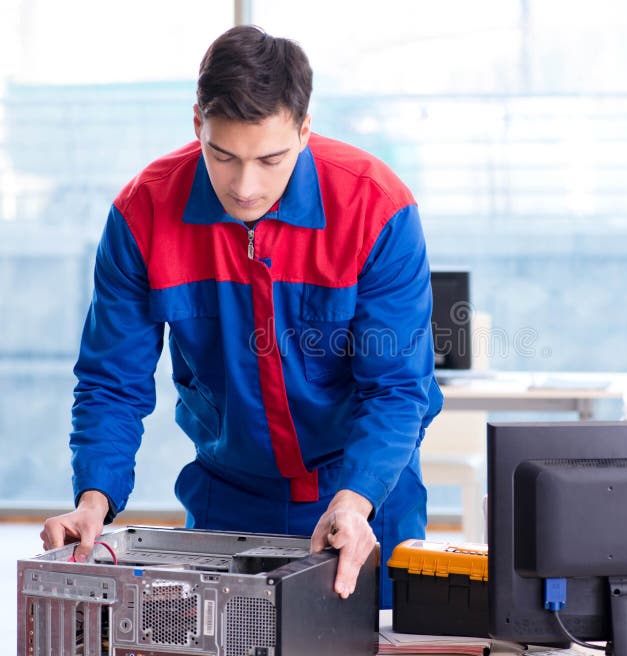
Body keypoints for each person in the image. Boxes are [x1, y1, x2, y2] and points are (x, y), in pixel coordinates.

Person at [40, 24, 443, 609]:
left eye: (270, 159)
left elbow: (398, 387)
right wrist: (93, 499)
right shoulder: (142, 213)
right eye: (222, 156)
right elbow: (112, 381)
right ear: (197, 123)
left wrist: (357, 500)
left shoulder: (375, 207)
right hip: (229, 496)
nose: (245, 186)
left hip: (364, 493)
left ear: (305, 131)